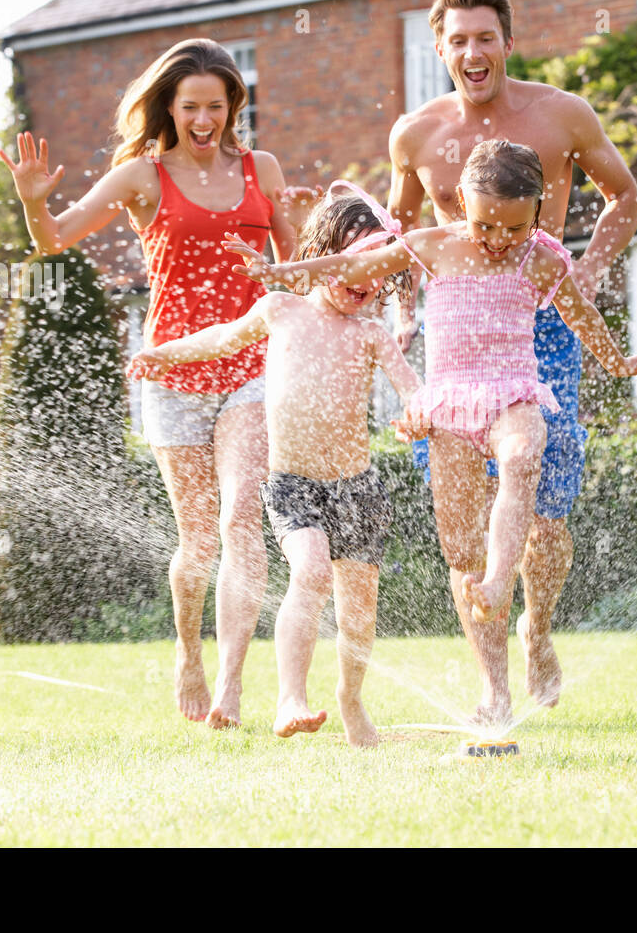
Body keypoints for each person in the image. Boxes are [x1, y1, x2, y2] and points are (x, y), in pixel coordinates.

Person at [224, 143, 637, 728]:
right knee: (461, 555)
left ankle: (501, 581)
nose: (498, 239)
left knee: (523, 456)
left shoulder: (540, 261)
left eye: (514, 227)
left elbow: (583, 316)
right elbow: (348, 269)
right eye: (485, 224)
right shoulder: (430, 246)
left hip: (513, 393)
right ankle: (494, 688)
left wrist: (619, 362)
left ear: (538, 211)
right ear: (460, 205)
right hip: (450, 408)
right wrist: (278, 274)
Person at [0, 38, 307, 729]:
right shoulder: (141, 175)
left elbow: (292, 266)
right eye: (190, 106)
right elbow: (55, 238)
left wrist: (300, 230)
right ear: (169, 107)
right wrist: (32, 202)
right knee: (198, 540)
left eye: (216, 107)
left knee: (241, 517)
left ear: (233, 107)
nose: (204, 120)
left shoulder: (261, 168)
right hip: (171, 373)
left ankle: (230, 683)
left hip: (251, 365)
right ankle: (188, 652)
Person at [387, 0, 637, 714]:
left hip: (545, 328)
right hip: (459, 343)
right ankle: (492, 687)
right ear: (440, 48)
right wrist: (403, 312)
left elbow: (625, 196)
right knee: (464, 533)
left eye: (485, 38)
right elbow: (398, 236)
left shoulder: (562, 115)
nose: (473, 52)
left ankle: (538, 627)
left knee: (547, 510)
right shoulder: (416, 135)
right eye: (458, 40)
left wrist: (585, 273)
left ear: (507, 41)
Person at [127, 192, 421, 747]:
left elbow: (412, 389)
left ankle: (350, 698)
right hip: (294, 487)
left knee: (358, 612)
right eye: (352, 261)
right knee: (310, 573)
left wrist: (417, 414)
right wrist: (163, 354)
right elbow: (221, 339)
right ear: (320, 255)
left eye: (377, 268)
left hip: (357, 490)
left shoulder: (371, 335)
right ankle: (291, 699)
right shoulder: (281, 310)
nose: (365, 278)